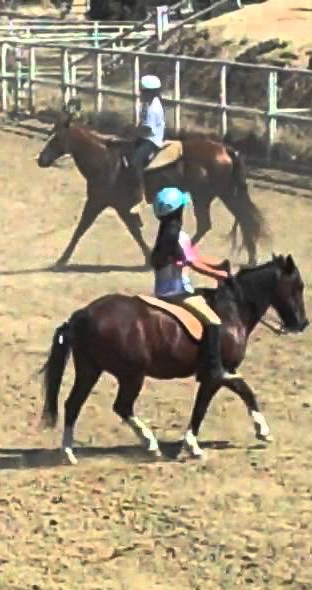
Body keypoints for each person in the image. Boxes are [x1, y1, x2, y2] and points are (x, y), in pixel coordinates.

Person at [149, 187, 239, 383]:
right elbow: (193, 264)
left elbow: (194, 257)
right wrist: (220, 275)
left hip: (164, 291)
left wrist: (218, 264)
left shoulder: (166, 236)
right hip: (179, 294)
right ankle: (214, 369)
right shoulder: (179, 237)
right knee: (213, 321)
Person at [125, 74, 166, 190]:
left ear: (151, 93)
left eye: (143, 91)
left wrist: (133, 131)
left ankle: (140, 189)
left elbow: (148, 130)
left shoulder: (153, 109)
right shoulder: (148, 104)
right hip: (145, 137)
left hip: (152, 141)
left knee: (134, 162)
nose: (141, 94)